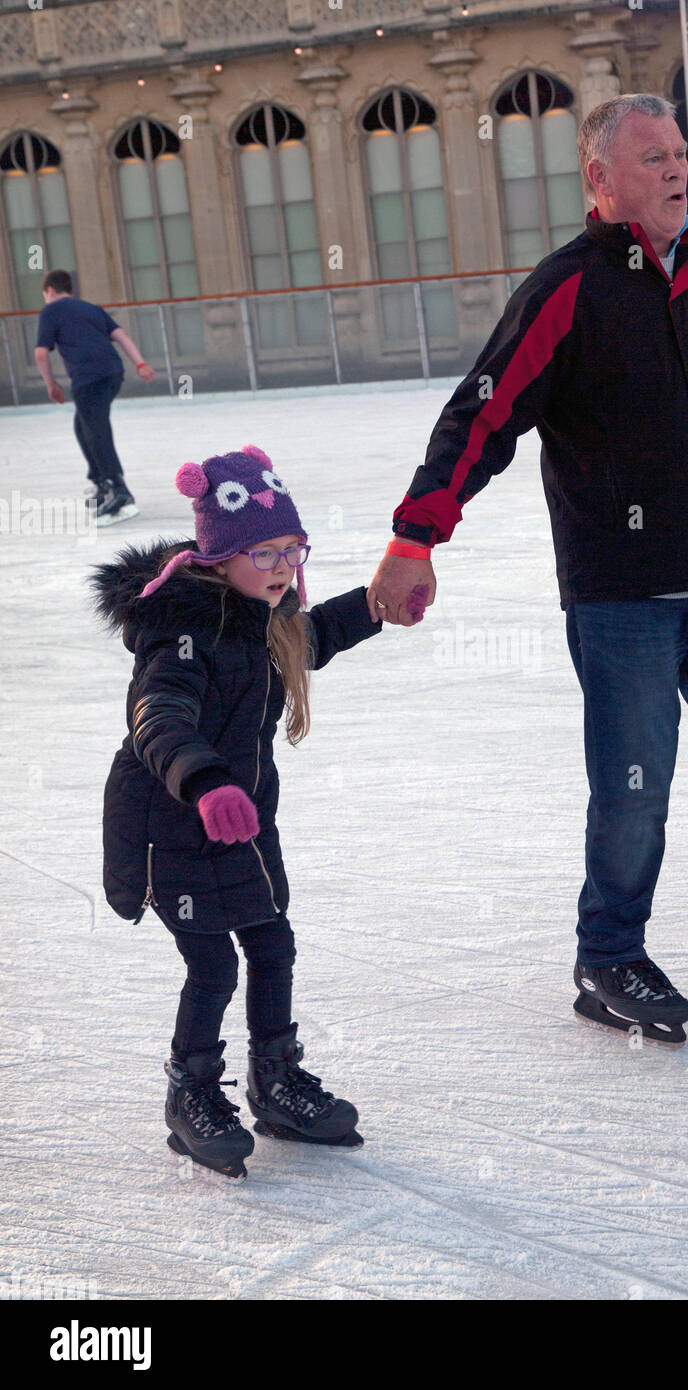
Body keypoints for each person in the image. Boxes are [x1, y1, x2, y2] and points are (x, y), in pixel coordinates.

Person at [368, 93, 688, 1045]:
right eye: (651, 158)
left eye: (679, 154)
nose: (676, 170)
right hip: (622, 597)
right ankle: (608, 957)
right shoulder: (567, 287)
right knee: (633, 787)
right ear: (599, 178)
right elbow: (483, 413)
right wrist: (416, 534)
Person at [90, 445, 427, 1178]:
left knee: (272, 945)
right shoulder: (180, 633)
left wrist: (374, 606)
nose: (281, 566)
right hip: (171, 819)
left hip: (240, 819)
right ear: (218, 557)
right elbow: (159, 717)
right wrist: (206, 782)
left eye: (291, 549)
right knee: (211, 963)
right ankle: (192, 1094)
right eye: (261, 551)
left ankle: (274, 1083)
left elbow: (310, 640)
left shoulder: (262, 616)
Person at [34, 268, 155, 526]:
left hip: (88, 378)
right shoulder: (91, 308)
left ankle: (117, 488)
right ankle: (102, 483)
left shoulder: (50, 310)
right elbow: (121, 336)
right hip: (113, 373)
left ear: (50, 291)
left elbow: (41, 354)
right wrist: (140, 364)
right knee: (83, 426)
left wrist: (51, 384)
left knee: (95, 430)